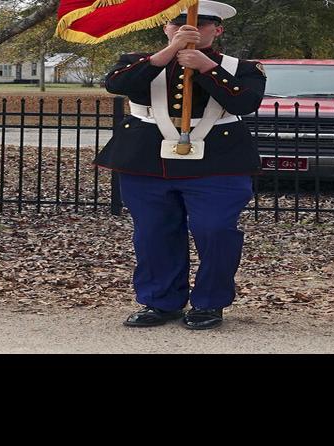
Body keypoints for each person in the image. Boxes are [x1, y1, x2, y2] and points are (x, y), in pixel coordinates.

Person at [96, 1, 266, 330]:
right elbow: (117, 84)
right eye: (177, 24)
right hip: (147, 160)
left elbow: (246, 101)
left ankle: (209, 303)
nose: (187, 28)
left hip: (219, 161)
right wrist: (168, 52)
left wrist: (206, 67)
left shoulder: (240, 67)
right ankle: (161, 302)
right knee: (153, 234)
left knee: (215, 230)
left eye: (200, 25)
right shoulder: (139, 62)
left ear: (217, 30)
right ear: (165, 28)